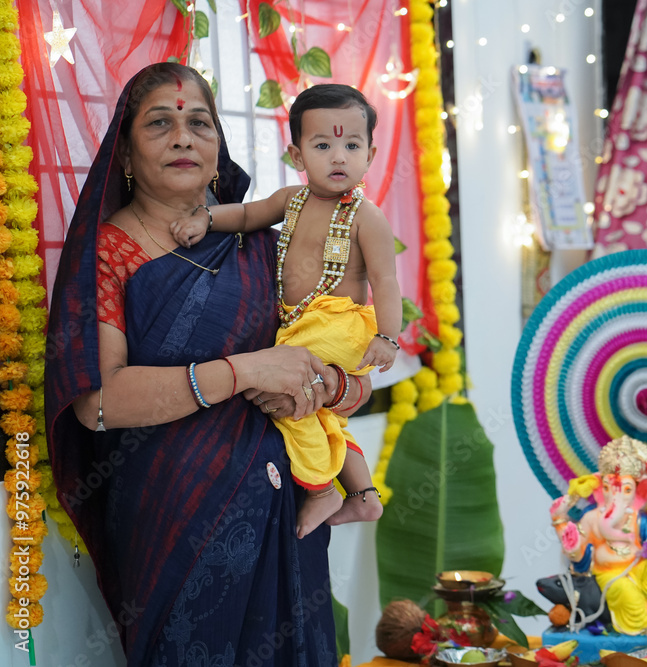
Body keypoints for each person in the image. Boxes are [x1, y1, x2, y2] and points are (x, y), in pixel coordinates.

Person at [45, 63, 369, 666]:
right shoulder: (108, 253)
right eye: (159, 124)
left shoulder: (266, 242)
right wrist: (247, 371)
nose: (183, 137)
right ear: (125, 154)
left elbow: (352, 377)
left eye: (200, 123)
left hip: (286, 509)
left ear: (219, 150)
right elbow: (96, 403)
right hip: (174, 513)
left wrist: (325, 382)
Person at [171, 84, 401, 538]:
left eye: (352, 145)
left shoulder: (366, 217)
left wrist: (389, 337)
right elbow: (246, 214)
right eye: (323, 145)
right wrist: (206, 219)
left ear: (371, 155)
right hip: (302, 322)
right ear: (297, 156)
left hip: (338, 320)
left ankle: (321, 490)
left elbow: (386, 282)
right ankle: (363, 495)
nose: (339, 157)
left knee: (290, 393)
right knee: (322, 413)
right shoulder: (290, 200)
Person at [549, 436, 647, 638]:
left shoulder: (637, 519)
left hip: (638, 567)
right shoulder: (591, 518)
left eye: (626, 490)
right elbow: (577, 556)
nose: (616, 497)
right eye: (608, 488)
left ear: (636, 492)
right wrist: (560, 521)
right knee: (624, 590)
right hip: (609, 574)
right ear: (601, 488)